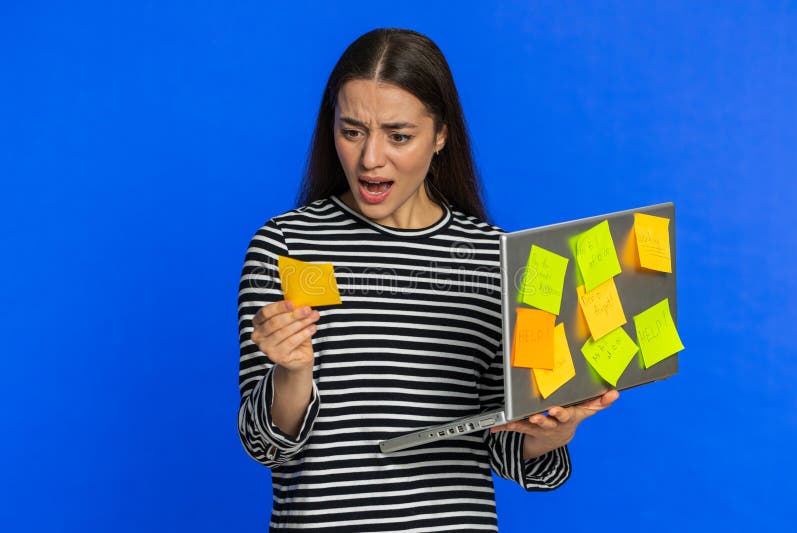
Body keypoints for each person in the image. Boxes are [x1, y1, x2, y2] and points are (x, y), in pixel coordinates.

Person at [237, 28, 618, 532]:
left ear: (440, 135)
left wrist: (552, 431)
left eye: (398, 136)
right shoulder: (289, 245)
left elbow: (506, 442)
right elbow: (265, 445)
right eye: (352, 131)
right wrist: (292, 371)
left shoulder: (496, 258)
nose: (371, 158)